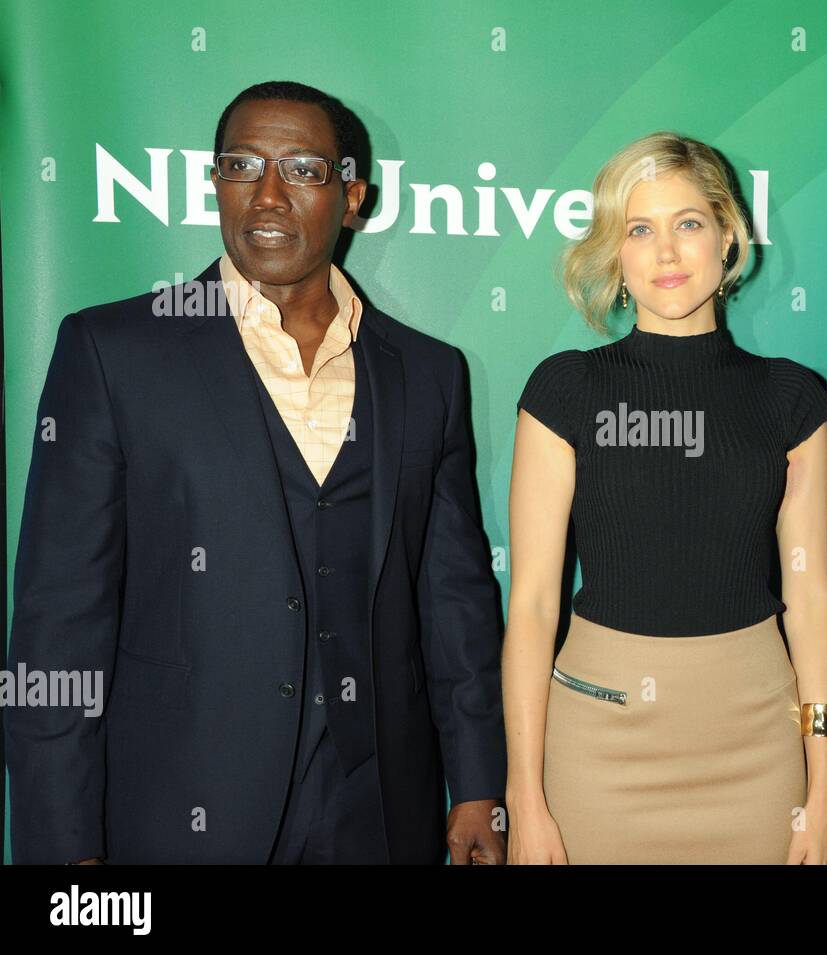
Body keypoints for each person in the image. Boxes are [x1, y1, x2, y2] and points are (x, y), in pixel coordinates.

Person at [5, 81, 506, 864]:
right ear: (215, 182)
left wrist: (478, 783)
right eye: (241, 165)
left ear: (353, 195)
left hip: (377, 810)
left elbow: (455, 604)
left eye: (303, 169)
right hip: (180, 809)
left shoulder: (428, 373)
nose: (267, 194)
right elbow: (58, 628)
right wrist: (63, 852)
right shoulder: (115, 353)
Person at [503, 132, 827, 864]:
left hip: (757, 744)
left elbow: (812, 599)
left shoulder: (791, 398)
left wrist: (824, 790)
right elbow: (532, 605)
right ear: (615, 255)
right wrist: (523, 795)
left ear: (728, 236)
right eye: (639, 229)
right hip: (600, 747)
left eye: (688, 223)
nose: (666, 251)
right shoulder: (566, 391)